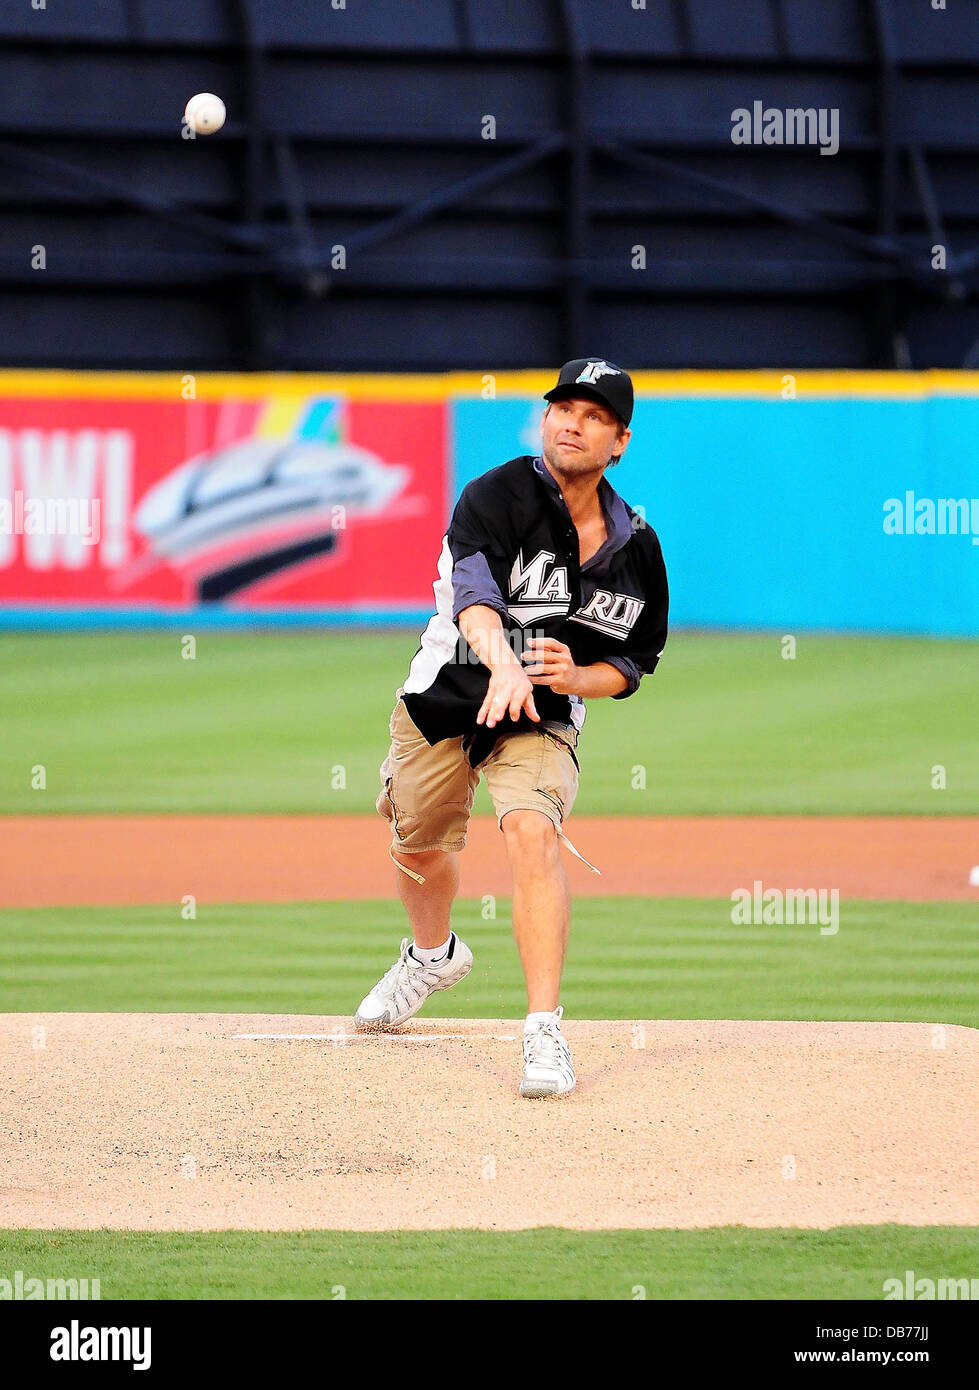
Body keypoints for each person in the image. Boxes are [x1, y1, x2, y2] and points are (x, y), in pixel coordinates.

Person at [354, 358, 669, 1097]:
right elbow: (472, 601)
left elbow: (633, 662)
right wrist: (501, 665)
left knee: (530, 830)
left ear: (619, 441)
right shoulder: (493, 496)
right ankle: (432, 957)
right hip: (444, 696)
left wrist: (575, 678)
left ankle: (543, 1031)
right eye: (562, 406)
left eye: (593, 415)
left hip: (540, 718)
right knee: (417, 845)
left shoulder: (637, 547)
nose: (571, 421)